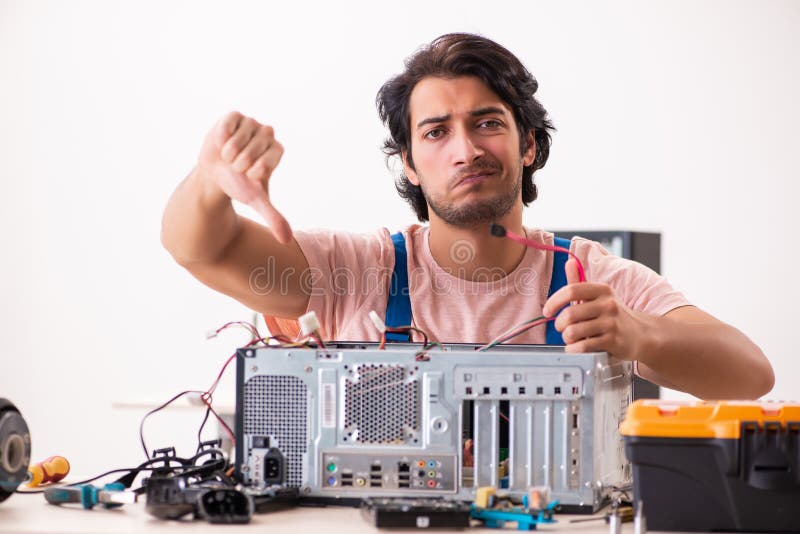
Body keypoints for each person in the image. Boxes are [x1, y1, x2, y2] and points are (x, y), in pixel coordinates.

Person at [161, 33, 773, 400]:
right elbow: (202, 248)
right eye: (436, 132)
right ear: (408, 164)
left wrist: (640, 336)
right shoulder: (351, 269)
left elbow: (750, 373)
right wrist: (210, 178)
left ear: (527, 145)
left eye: (487, 123)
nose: (466, 149)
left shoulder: (589, 276)